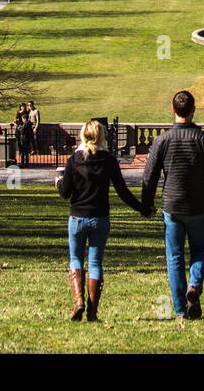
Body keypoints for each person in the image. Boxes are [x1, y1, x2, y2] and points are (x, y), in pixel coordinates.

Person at [142, 91, 204, 321]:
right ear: (193, 109)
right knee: (200, 249)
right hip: (198, 203)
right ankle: (195, 285)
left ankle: (180, 309)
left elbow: (150, 176)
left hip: (172, 204)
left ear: (173, 109)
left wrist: (147, 204)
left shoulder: (163, 139)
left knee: (174, 257)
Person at [56, 118, 148, 321]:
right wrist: (142, 208)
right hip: (100, 217)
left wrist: (59, 182)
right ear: (102, 137)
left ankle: (78, 300)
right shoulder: (109, 161)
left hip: (77, 216)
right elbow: (123, 192)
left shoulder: (74, 160)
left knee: (75, 259)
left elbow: (65, 193)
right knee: (96, 263)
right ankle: (92, 311)